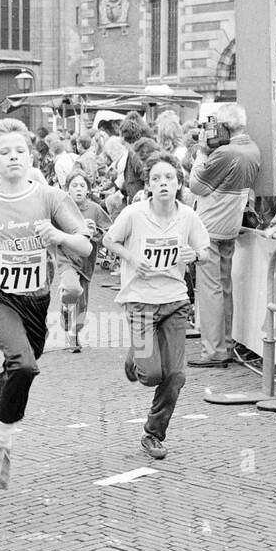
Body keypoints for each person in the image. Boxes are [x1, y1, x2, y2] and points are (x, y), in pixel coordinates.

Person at [0, 118, 92, 490]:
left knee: (20, 368)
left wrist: (58, 234)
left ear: (31, 157)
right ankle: (2, 445)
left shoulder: (50, 198)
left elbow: (85, 245)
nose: (13, 157)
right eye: (4, 152)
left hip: (37, 302)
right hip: (0, 299)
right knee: (24, 366)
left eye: (20, 151)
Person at [103, 154, 210, 460]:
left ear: (178, 183)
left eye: (169, 178)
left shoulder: (188, 216)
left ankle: (153, 433)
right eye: (156, 179)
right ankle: (136, 358)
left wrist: (196, 256)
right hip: (140, 300)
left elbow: (206, 250)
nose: (163, 183)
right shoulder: (134, 214)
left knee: (176, 375)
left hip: (175, 299)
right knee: (150, 374)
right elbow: (109, 241)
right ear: (148, 185)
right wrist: (132, 258)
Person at [185, 102, 261, 368]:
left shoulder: (225, 153)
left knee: (210, 291)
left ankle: (214, 351)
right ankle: (225, 343)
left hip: (211, 227)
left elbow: (196, 185)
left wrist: (203, 153)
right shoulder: (252, 149)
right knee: (224, 287)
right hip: (230, 225)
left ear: (225, 126)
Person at [60, 171, 111, 351]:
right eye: (74, 186)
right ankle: (67, 314)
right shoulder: (61, 207)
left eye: (82, 186)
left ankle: (74, 332)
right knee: (72, 289)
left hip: (87, 261)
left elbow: (108, 231)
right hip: (66, 258)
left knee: (82, 303)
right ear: (67, 189)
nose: (79, 189)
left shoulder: (95, 209)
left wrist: (95, 231)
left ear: (88, 190)